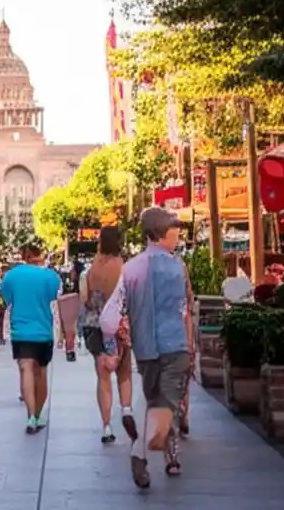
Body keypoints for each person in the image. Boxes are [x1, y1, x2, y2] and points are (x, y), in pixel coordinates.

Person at [100, 207, 195, 488]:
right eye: (174, 229)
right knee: (164, 408)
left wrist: (110, 348)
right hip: (175, 346)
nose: (178, 234)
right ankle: (143, 449)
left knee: (157, 402)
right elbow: (186, 309)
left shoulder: (131, 268)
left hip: (146, 350)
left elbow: (109, 317)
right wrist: (190, 344)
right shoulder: (179, 267)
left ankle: (151, 453)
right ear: (160, 233)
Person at [80, 226, 136, 444]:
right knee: (124, 372)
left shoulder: (92, 268)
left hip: (95, 325)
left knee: (103, 376)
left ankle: (106, 426)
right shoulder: (124, 267)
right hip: (120, 324)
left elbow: (86, 299)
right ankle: (127, 410)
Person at [0, 244, 61, 434]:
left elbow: (7, 299)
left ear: (23, 256)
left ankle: (31, 416)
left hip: (21, 330)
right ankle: (38, 414)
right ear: (39, 257)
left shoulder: (11, 276)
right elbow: (53, 297)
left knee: (25, 368)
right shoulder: (51, 276)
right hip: (43, 330)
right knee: (40, 371)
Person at [57, 259, 82, 362]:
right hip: (73, 304)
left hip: (72, 304)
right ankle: (70, 348)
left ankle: (69, 349)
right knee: (70, 328)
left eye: (72, 270)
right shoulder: (73, 284)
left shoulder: (78, 284)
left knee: (69, 328)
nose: (70, 272)